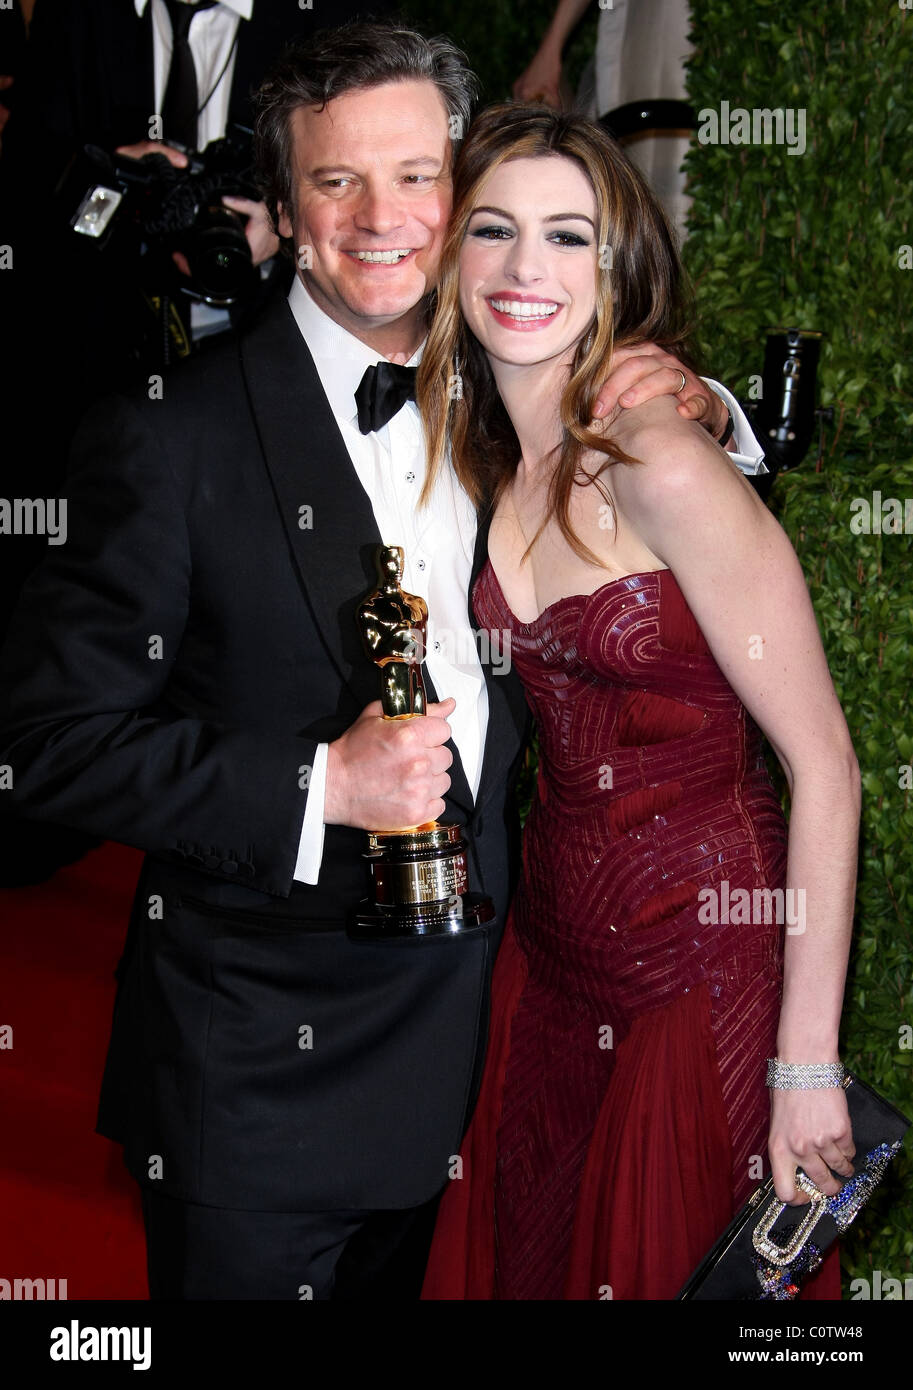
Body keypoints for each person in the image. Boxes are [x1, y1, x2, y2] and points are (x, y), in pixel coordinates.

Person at [0, 22, 762, 1300]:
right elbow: (42, 740)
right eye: (336, 181)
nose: (381, 218)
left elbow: (660, 490)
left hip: (491, 1056)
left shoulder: (521, 393)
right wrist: (317, 790)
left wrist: (706, 408)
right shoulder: (169, 443)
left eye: (417, 176)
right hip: (256, 1089)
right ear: (285, 212)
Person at [418, 103, 860, 1300]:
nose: (523, 269)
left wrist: (803, 1065)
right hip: (548, 963)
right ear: (450, 253)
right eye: (494, 229)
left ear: (616, 268)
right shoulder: (481, 458)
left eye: (568, 237)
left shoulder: (661, 459)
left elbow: (824, 766)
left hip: (696, 973)